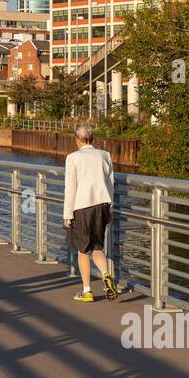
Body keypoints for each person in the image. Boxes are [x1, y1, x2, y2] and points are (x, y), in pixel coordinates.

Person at [63, 123, 118, 302]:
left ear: (77, 140)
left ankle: (87, 291)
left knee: (83, 251)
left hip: (82, 206)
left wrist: (67, 214)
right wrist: (111, 207)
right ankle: (106, 274)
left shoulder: (73, 158)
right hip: (102, 205)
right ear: (92, 139)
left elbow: (70, 188)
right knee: (96, 246)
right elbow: (110, 183)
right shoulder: (105, 155)